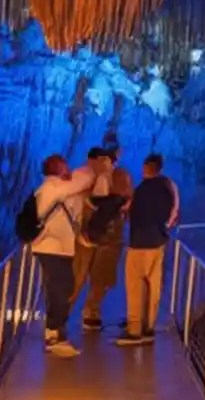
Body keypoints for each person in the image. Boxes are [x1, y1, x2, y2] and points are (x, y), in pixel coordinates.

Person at [32, 153, 97, 357]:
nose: (68, 170)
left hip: (57, 248)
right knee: (59, 289)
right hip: (50, 248)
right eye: (64, 167)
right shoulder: (52, 188)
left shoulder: (55, 189)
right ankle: (54, 335)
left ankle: (56, 331)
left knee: (62, 287)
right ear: (56, 170)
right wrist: (93, 168)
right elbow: (80, 183)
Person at [117, 154, 177, 346]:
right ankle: (149, 327)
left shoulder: (140, 191)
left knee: (135, 285)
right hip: (158, 242)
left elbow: (127, 212)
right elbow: (174, 213)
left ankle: (135, 330)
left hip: (139, 243)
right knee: (154, 286)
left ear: (146, 168)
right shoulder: (168, 188)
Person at [72, 157, 131, 331]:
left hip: (108, 237)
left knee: (99, 278)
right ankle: (66, 315)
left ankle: (91, 311)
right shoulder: (87, 176)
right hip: (91, 235)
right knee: (79, 276)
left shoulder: (120, 177)